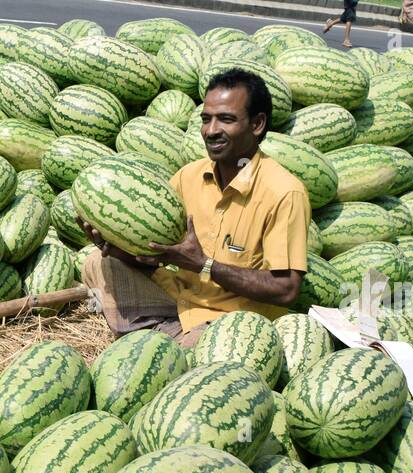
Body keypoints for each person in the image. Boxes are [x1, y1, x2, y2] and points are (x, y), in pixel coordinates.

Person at [79, 69, 309, 347]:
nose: (211, 131)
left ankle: (156, 340)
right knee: (98, 262)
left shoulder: (284, 192)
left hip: (224, 321)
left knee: (182, 359)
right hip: (176, 301)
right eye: (206, 119)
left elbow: (285, 290)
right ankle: (161, 336)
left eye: (226, 119)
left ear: (257, 124)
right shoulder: (189, 176)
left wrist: (204, 265)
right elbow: (158, 257)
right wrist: (115, 245)